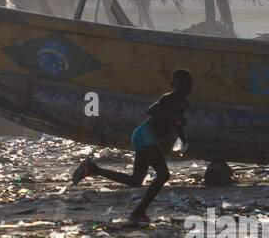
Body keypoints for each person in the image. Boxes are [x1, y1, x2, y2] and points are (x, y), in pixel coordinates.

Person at [70, 69, 193, 223]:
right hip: (145, 134)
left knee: (136, 181)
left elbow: (176, 124)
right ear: (173, 85)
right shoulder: (168, 98)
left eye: (189, 83)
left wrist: (183, 139)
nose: (186, 86)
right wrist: (174, 118)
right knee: (163, 175)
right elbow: (152, 110)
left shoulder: (184, 103)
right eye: (182, 83)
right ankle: (138, 212)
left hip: (149, 137)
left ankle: (93, 169)